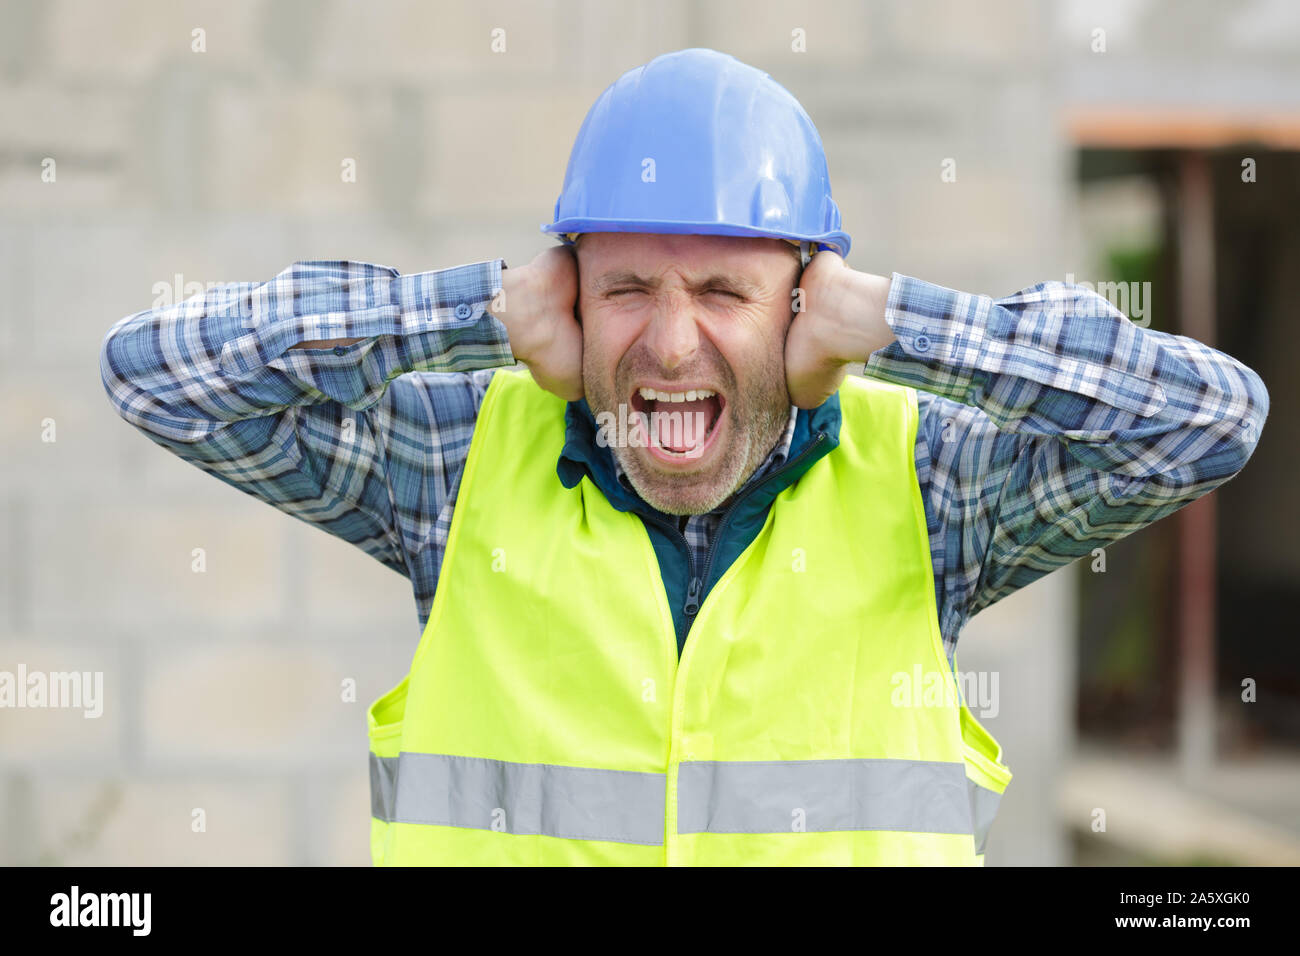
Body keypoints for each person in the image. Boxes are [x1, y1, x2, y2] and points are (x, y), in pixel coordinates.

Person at [99, 48, 1269, 866]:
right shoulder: (454, 464)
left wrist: (906, 322)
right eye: (624, 289)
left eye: (723, 290)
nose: (668, 340)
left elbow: (1206, 419)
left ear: (808, 298)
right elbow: (156, 374)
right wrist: (467, 312)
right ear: (564, 291)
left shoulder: (930, 484)